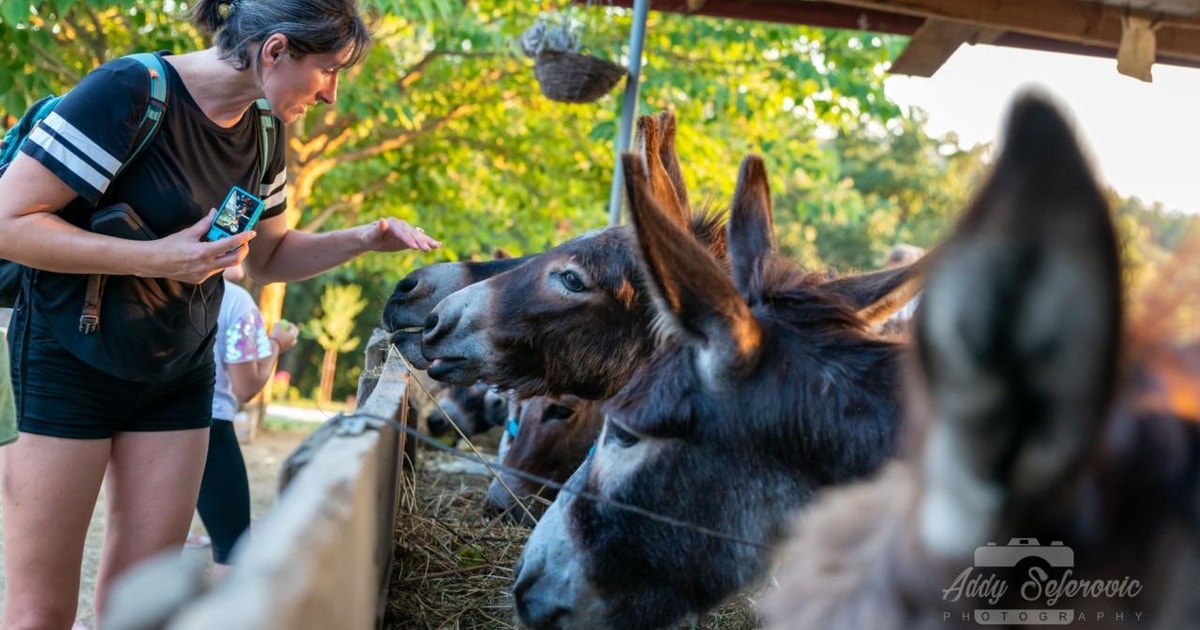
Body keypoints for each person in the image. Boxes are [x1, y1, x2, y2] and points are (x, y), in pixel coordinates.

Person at [0, 0, 441, 627]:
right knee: (40, 615)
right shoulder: (127, 91)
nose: (331, 95)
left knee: (142, 612)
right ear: (276, 49)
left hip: (178, 377)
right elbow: (9, 222)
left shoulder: (264, 131)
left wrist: (365, 238)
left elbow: (269, 256)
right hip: (66, 365)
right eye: (329, 70)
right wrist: (155, 260)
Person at [193, 263, 298, 579]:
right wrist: (277, 343)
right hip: (210, 427)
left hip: (149, 425)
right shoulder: (236, 300)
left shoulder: (160, 285)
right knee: (234, 551)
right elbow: (246, 387)